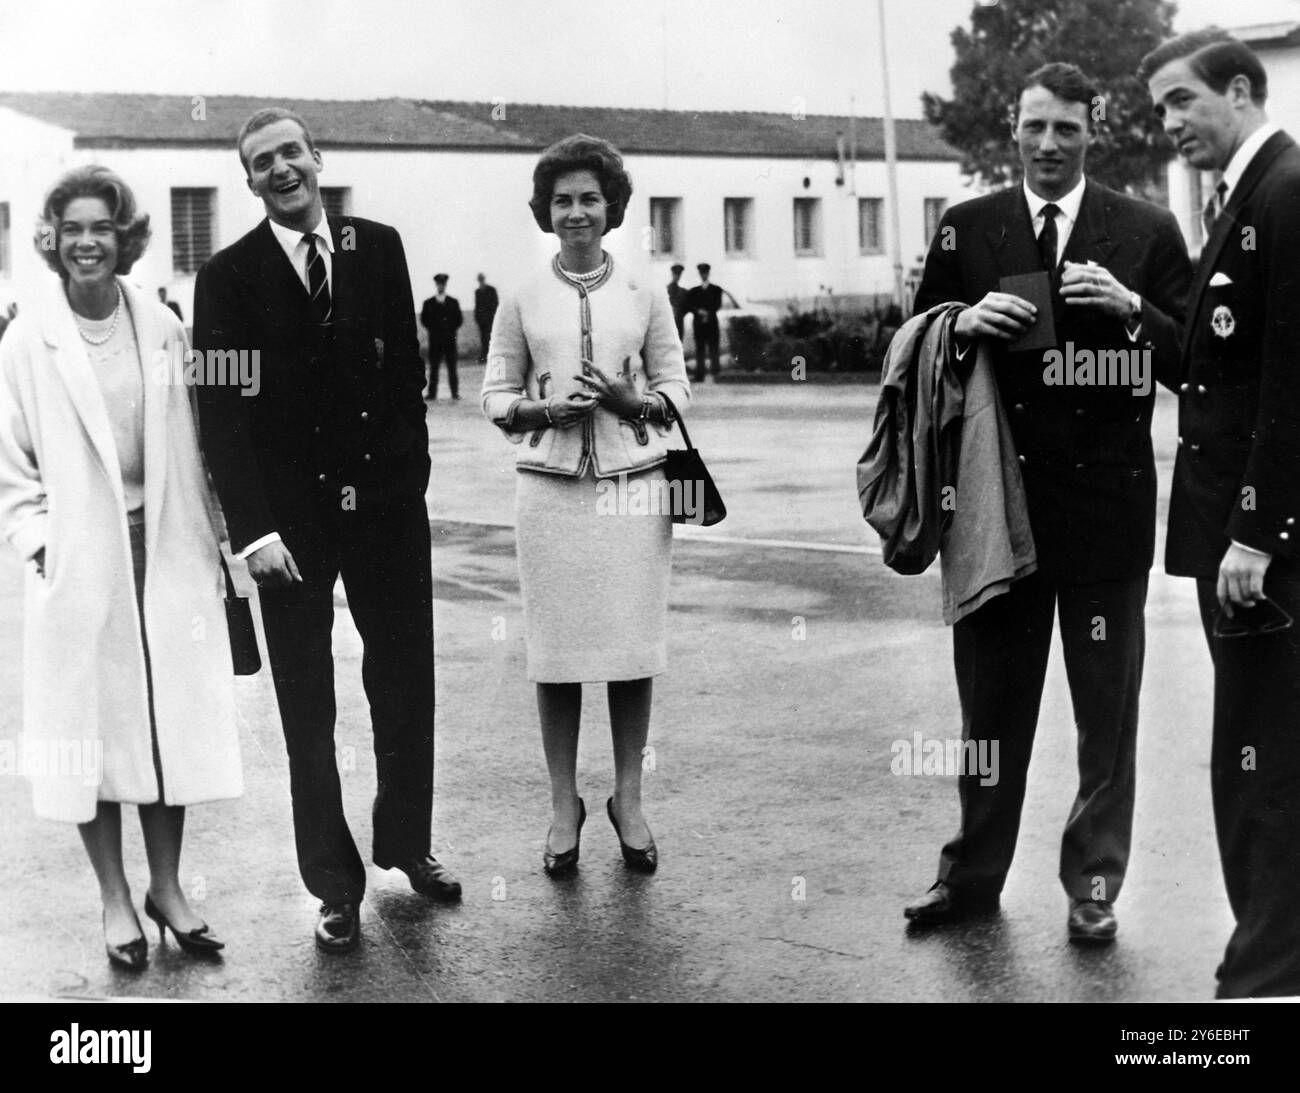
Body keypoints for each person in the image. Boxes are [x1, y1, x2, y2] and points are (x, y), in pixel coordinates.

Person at [902, 63, 1192, 943]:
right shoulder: (968, 228)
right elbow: (913, 352)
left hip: (1106, 515)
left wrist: (1134, 309)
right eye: (1035, 127)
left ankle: (1093, 885)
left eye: (1067, 128)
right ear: (1011, 128)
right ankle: (971, 877)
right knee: (990, 709)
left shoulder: (1146, 229)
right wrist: (960, 325)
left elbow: (1198, 366)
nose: (1050, 145)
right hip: (1000, 511)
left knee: (1106, 715)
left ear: (1092, 130)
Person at [193, 107, 458, 956]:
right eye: (261, 161)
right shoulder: (225, 277)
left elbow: (409, 374)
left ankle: (406, 843)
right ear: (249, 180)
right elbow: (220, 416)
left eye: (291, 152)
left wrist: (408, 476)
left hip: (384, 507)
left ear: (318, 158)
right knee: (308, 705)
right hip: (289, 529)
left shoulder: (375, 247)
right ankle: (335, 887)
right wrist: (253, 531)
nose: (281, 168)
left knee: (405, 678)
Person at [0, 165, 242, 969]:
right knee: (89, 730)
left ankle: (167, 886)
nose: (86, 242)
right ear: (52, 240)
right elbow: (12, 470)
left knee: (167, 719)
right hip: (81, 560)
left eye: (101, 227)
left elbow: (203, 444)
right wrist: (44, 547)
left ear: (126, 237)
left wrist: (222, 541)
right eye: (71, 228)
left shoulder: (165, 328)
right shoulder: (25, 339)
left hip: (164, 548)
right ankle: (114, 897)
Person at [482, 133, 690, 877]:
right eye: (563, 200)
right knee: (559, 659)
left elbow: (678, 389)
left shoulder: (646, 292)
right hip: (549, 495)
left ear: (612, 209)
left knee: (633, 653)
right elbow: (494, 394)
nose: (577, 212)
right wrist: (543, 414)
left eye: (590, 199)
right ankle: (562, 801)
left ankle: (628, 800)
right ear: (547, 210)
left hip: (635, 490)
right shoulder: (521, 296)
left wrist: (635, 400)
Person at [1141, 29, 1300, 998]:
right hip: (1229, 530)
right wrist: (1131, 311)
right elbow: (1211, 366)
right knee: (1254, 745)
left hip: (1256, 543)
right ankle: (1270, 949)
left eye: (1180, 102)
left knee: (1261, 752)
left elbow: (1289, 384)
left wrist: (1253, 528)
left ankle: (1266, 969)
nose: (1168, 127)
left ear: (1237, 92)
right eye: (1160, 108)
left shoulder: (1282, 195)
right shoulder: (1242, 199)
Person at [682, 263, 731, 380]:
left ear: (708, 273)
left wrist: (708, 312)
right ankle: (700, 374)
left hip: (711, 322)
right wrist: (698, 311)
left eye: (705, 273)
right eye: (701, 273)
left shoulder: (716, 289)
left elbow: (717, 304)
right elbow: (689, 305)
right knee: (700, 348)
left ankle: (716, 372)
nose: (703, 275)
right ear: (699, 274)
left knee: (714, 347)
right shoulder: (694, 291)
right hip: (699, 324)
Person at [420, 273, 462, 399]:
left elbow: (459, 320)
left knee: (452, 367)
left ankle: (455, 393)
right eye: (439, 284)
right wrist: (434, 329)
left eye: (443, 284)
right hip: (435, 340)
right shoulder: (428, 303)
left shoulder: (453, 302)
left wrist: (450, 330)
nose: (441, 286)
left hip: (450, 340)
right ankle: (432, 393)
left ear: (445, 285)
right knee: (434, 367)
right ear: (436, 285)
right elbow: (424, 319)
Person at [473, 273, 498, 364]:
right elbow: (477, 306)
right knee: (483, 338)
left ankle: (492, 356)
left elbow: (495, 304)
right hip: (482, 321)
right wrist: (477, 318)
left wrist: (493, 316)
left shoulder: (491, 290)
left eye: (482, 279)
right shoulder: (477, 292)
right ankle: (484, 356)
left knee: (491, 338)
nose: (481, 281)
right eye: (479, 280)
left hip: (491, 319)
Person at [666, 262, 686, 339]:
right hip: (668, 324)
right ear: (672, 274)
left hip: (679, 323)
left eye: (679, 274)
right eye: (675, 274)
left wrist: (679, 313)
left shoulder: (682, 292)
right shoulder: (665, 290)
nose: (677, 276)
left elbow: (685, 308)